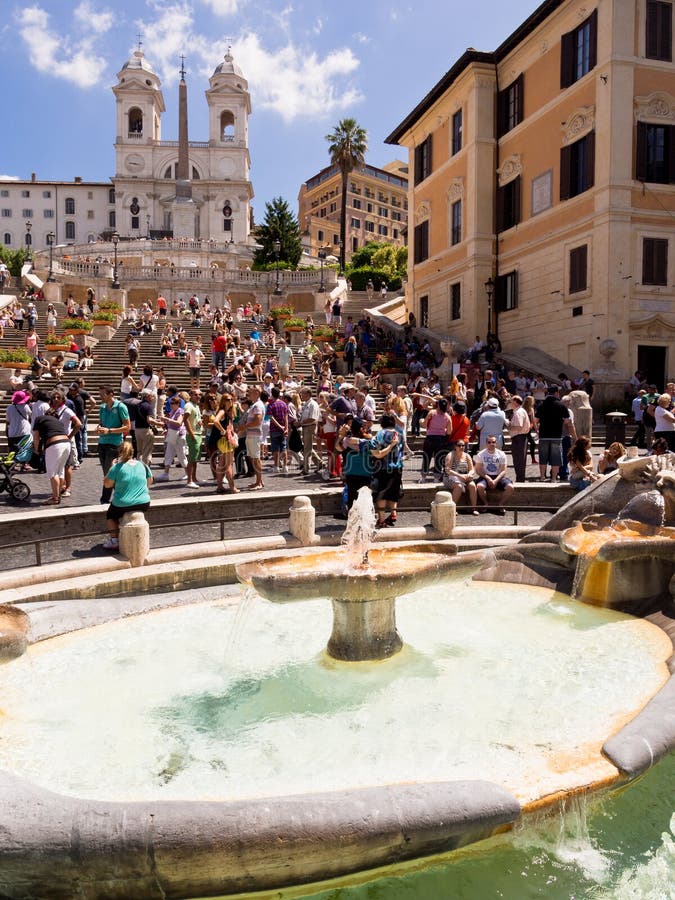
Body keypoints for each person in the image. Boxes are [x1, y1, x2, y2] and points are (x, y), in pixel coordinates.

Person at [101, 440, 152, 550]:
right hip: (144, 503)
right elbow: (150, 481)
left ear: (119, 453)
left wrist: (111, 467)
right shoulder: (143, 465)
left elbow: (107, 485)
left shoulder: (117, 467)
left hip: (122, 504)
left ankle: (114, 540)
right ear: (132, 452)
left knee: (110, 516)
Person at [96, 387, 131, 504]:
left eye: (102, 395)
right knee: (108, 472)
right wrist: (99, 427)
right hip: (102, 443)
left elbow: (127, 427)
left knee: (109, 473)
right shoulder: (102, 407)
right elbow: (101, 422)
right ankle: (121, 495)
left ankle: (105, 500)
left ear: (111, 394)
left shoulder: (121, 407)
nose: (100, 397)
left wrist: (109, 430)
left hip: (114, 444)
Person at [32, 407, 71, 505]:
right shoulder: (58, 422)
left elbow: (36, 436)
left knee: (53, 473)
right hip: (66, 443)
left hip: (55, 444)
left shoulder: (39, 418)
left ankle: (55, 498)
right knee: (60, 470)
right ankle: (58, 493)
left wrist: (36, 449)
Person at [370, 414, 403, 528]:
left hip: (383, 467)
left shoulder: (380, 434)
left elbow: (374, 447)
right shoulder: (400, 434)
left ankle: (382, 520)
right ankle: (393, 514)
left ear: (382, 423)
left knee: (381, 494)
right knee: (393, 492)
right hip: (397, 467)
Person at [337, 418, 375, 512]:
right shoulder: (369, 440)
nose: (366, 428)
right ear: (361, 428)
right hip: (366, 473)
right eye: (364, 426)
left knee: (352, 498)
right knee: (365, 498)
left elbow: (338, 448)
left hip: (351, 473)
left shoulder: (347, 440)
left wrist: (341, 436)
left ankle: (352, 521)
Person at [535, 386, 572, 482]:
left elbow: (535, 420)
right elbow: (567, 421)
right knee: (556, 458)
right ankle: (554, 479)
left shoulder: (541, 405)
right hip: (556, 435)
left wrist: (537, 430)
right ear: (556, 393)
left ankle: (542, 477)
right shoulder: (561, 406)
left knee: (543, 457)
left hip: (543, 435)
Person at [474, 436, 514, 515]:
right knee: (480, 486)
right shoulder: (481, 454)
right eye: (489, 442)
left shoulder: (501, 454)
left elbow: (503, 471)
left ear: (496, 443)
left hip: (498, 476)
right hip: (485, 476)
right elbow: (478, 470)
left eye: (493, 442)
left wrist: (496, 480)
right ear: (486, 444)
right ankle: (485, 503)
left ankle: (500, 504)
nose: (491, 444)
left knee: (510, 487)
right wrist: (488, 478)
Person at [212, 392, 240, 494]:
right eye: (228, 399)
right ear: (223, 401)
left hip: (224, 441)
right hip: (225, 441)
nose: (230, 401)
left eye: (231, 399)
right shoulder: (223, 411)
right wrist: (223, 430)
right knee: (229, 465)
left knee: (222, 464)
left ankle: (219, 486)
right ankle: (232, 488)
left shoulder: (228, 412)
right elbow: (216, 421)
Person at [443, 440, 479, 514]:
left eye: (463, 445)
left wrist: (469, 474)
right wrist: (459, 476)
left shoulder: (467, 455)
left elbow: (472, 469)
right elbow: (448, 470)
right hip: (450, 477)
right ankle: (452, 508)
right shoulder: (451, 455)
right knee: (458, 486)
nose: (461, 447)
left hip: (464, 477)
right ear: (455, 446)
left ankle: (474, 508)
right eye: (459, 445)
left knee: (472, 485)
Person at [420, 398, 452, 482]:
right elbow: (449, 431)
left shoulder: (432, 413)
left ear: (438, 405)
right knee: (438, 458)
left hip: (430, 437)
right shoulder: (448, 417)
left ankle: (423, 477)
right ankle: (436, 478)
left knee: (427, 456)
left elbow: (424, 424)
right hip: (441, 439)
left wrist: (421, 421)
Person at [243, 384, 265, 490]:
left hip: (254, 435)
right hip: (252, 434)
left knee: (256, 458)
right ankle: (259, 480)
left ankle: (259, 482)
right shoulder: (255, 404)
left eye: (250, 392)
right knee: (253, 458)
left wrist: (244, 426)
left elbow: (257, 420)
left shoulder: (258, 405)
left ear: (256, 393)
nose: (248, 394)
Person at [298, 386, 323, 474]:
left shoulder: (312, 404)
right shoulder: (306, 403)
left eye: (302, 394)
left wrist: (301, 423)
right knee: (308, 448)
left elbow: (313, 419)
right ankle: (319, 463)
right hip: (306, 427)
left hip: (310, 427)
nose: (301, 396)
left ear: (308, 394)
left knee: (307, 449)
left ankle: (306, 469)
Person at [507, 395, 531, 482]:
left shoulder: (518, 412)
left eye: (511, 401)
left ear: (515, 402)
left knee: (518, 460)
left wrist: (509, 426)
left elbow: (519, 426)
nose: (509, 403)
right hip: (520, 437)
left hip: (519, 438)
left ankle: (520, 479)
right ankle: (520, 478)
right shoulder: (520, 411)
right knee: (519, 460)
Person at [182, 388, 203, 488]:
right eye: (195, 394)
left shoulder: (196, 406)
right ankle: (189, 481)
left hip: (198, 433)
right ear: (191, 395)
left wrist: (199, 422)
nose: (198, 396)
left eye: (199, 394)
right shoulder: (189, 406)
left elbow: (195, 419)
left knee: (195, 458)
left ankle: (194, 478)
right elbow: (185, 420)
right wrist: (191, 434)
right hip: (193, 434)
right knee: (191, 458)